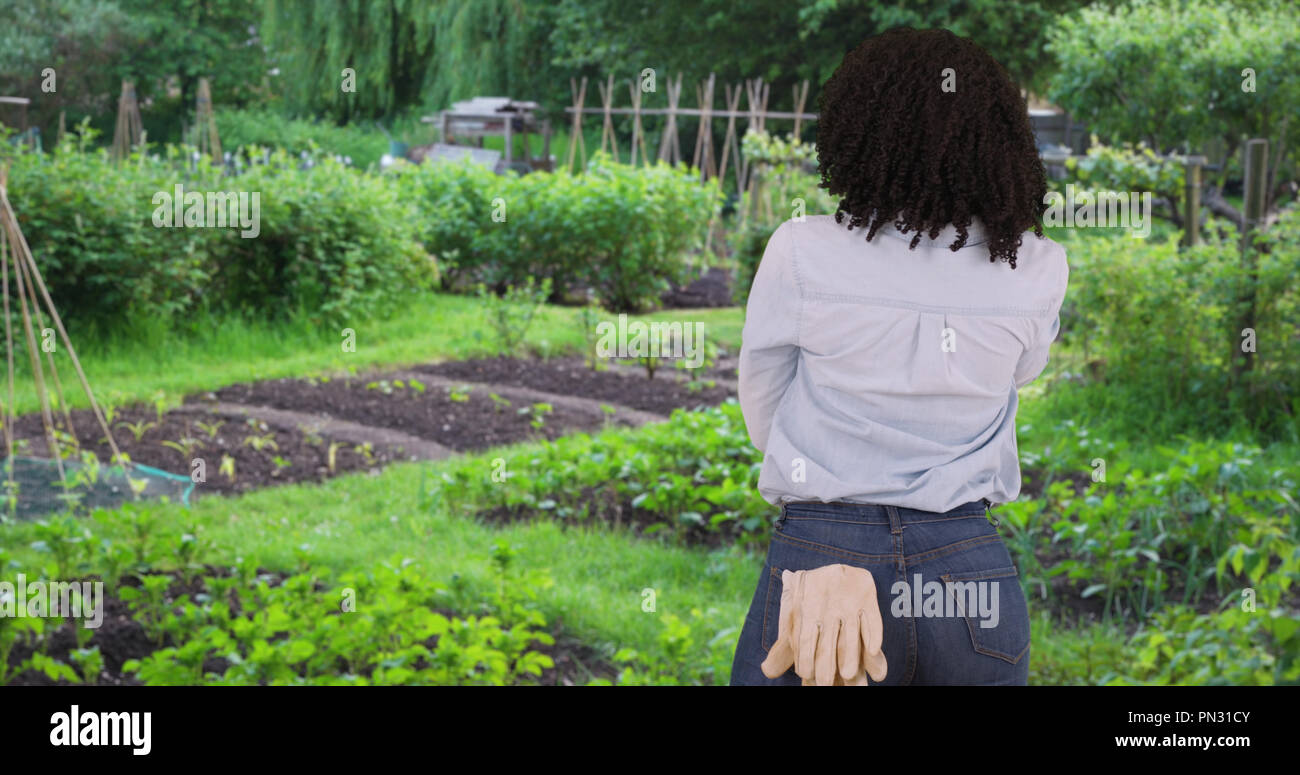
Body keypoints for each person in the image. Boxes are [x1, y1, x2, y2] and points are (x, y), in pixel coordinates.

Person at [729, 27, 1069, 686]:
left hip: (823, 550)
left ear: (859, 131)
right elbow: (1018, 374)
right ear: (1000, 137)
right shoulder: (1038, 266)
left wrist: (828, 477)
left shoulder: (802, 249)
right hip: (970, 571)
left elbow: (762, 401)